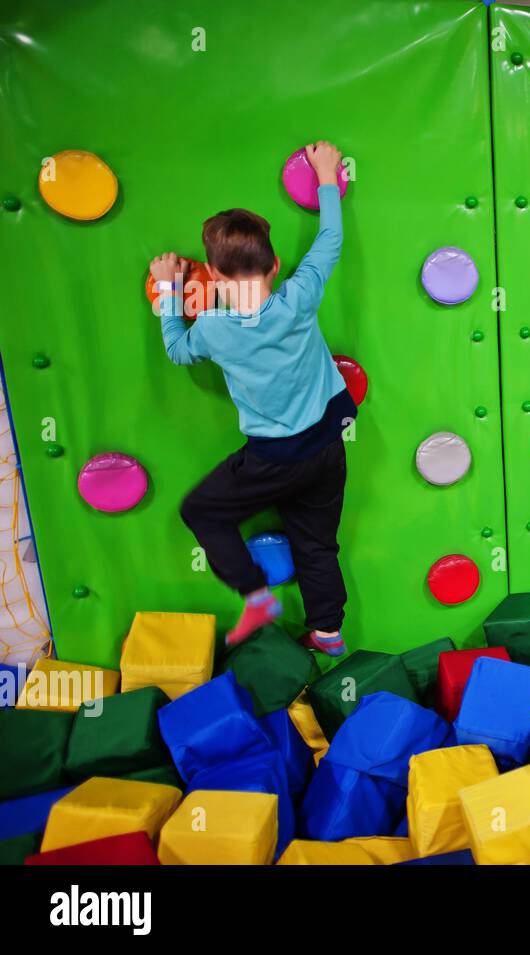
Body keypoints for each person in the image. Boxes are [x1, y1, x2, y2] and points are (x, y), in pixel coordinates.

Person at [149, 141, 353, 656]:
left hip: (271, 460)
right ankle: (327, 630)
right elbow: (330, 239)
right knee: (316, 543)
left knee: (201, 511)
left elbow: (176, 349)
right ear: (277, 264)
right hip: (327, 444)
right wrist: (327, 176)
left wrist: (171, 289)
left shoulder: (215, 328)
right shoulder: (298, 299)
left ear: (213, 278)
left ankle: (256, 595)